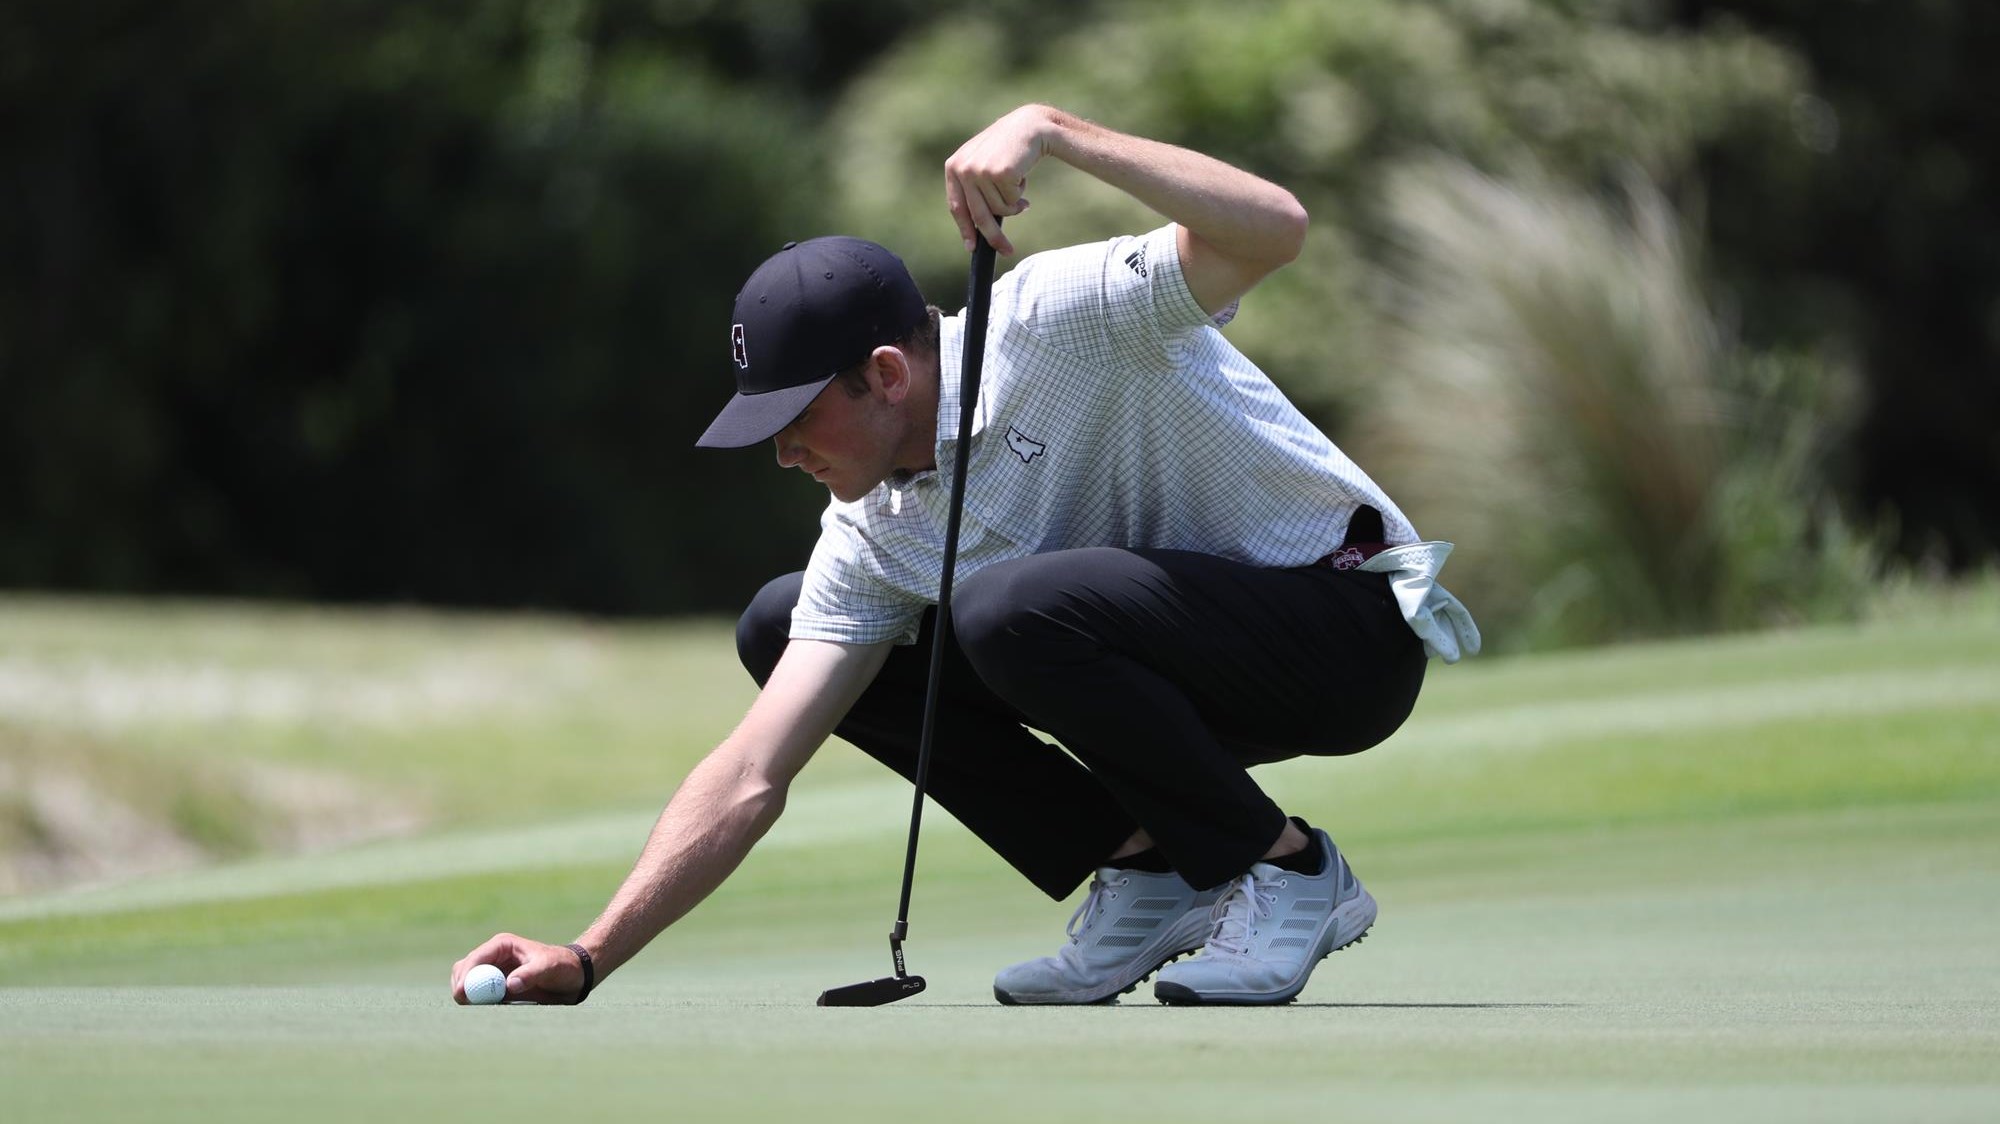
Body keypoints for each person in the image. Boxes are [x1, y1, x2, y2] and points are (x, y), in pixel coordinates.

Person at [451, 103, 1478, 1008]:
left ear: (884, 374)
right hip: (1181, 668)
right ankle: (1146, 868)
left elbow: (1275, 228)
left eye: (797, 418)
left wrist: (1054, 131)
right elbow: (751, 771)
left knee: (1006, 609)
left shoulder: (1058, 318)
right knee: (780, 618)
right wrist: (589, 953)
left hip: (1344, 630)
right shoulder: (871, 531)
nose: (781, 453)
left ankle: (1288, 868)